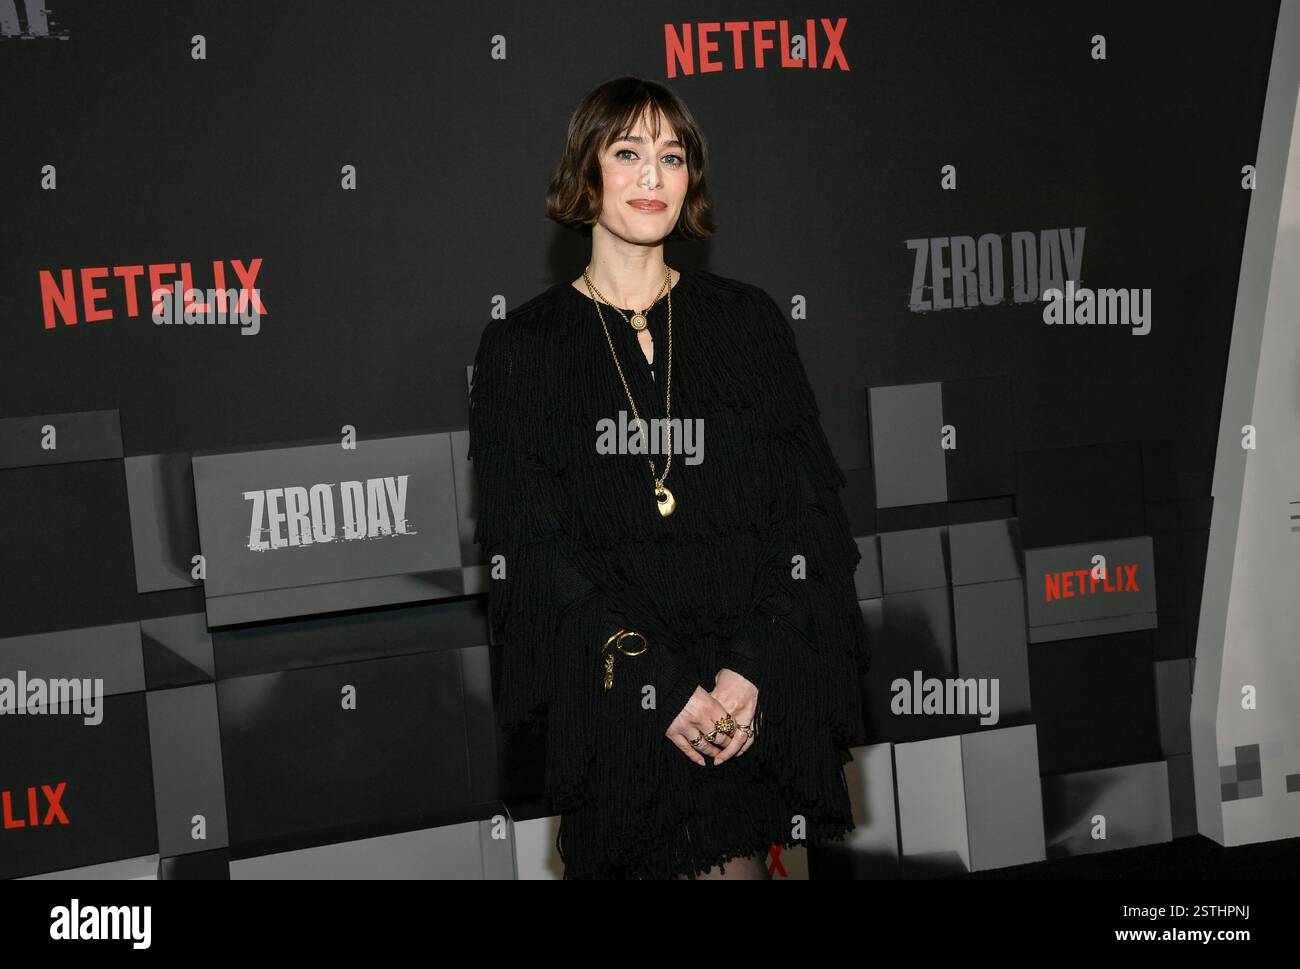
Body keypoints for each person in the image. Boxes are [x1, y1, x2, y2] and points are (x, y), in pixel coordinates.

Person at [467, 76, 871, 880]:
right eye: (628, 153)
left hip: (745, 706)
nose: (652, 176)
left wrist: (748, 672)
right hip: (620, 716)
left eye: (672, 156)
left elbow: (808, 520)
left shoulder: (748, 322)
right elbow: (533, 554)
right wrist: (660, 686)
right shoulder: (522, 350)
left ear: (691, 181)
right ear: (587, 172)